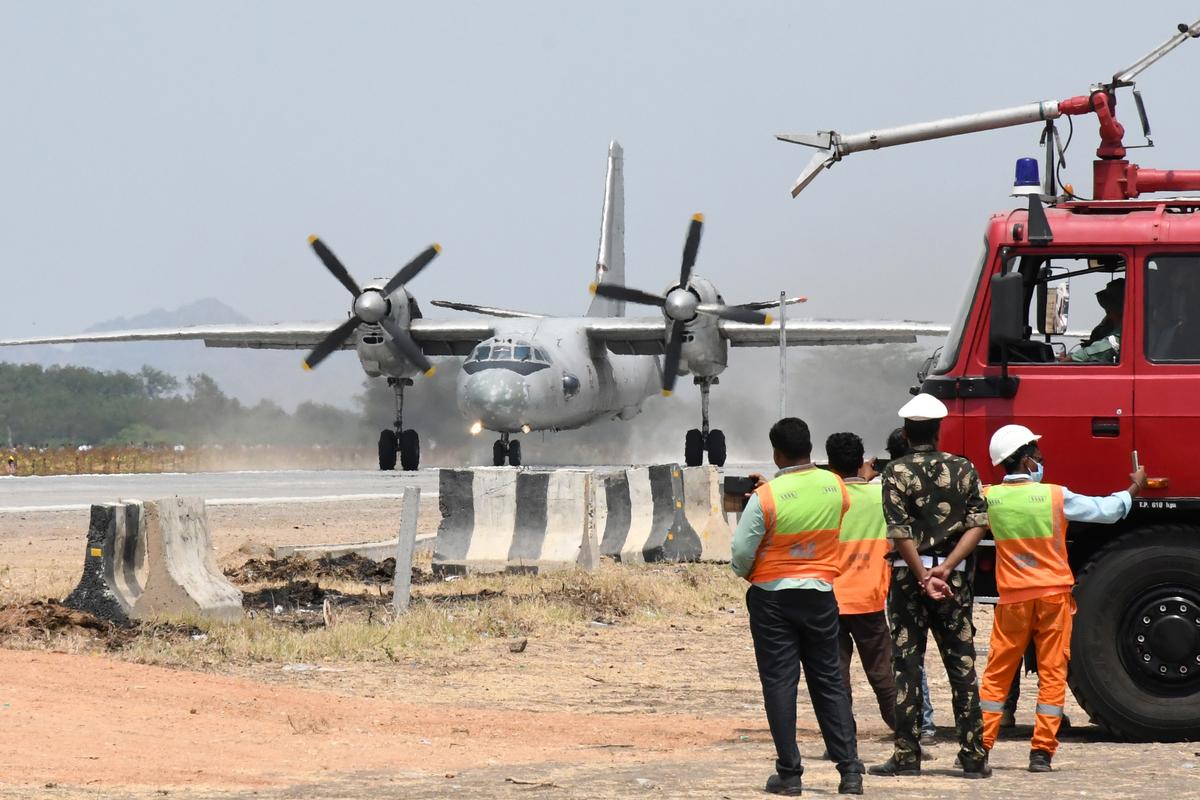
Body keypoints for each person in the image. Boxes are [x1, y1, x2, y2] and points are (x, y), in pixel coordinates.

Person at [979, 424, 1147, 772]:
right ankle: (1042, 752)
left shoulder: (989, 497)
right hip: (1053, 598)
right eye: (1037, 455)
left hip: (1012, 600)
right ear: (1025, 460)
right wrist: (1134, 487)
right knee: (1053, 673)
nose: (1041, 460)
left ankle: (980, 747)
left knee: (997, 674)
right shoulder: (1055, 496)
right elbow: (1106, 511)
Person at [732, 418, 865, 796]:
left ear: (776, 454)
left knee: (780, 683)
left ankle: (790, 774)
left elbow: (742, 553)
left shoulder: (767, 496)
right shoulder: (836, 487)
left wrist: (752, 574)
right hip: (820, 594)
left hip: (772, 597)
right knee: (829, 682)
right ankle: (850, 772)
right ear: (811, 448)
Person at [868, 394, 991, 779]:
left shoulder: (897, 473)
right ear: (939, 431)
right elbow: (978, 524)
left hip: (909, 580)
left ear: (905, 433)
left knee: (906, 665)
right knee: (963, 666)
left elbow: (900, 531)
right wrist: (946, 569)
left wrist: (922, 575)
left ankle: (907, 756)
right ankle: (973, 755)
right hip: (953, 580)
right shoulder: (963, 468)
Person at [827, 432, 896, 732]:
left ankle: (843, 739)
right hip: (869, 599)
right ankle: (905, 735)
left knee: (836, 676)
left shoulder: (828, 499)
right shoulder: (879, 496)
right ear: (861, 462)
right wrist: (867, 480)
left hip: (829, 599)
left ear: (829, 465)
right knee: (883, 672)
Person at [1063, 278, 1124, 363]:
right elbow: (1098, 337)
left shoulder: (1128, 328)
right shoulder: (1109, 323)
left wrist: (1072, 358)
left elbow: (1112, 344)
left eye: (1109, 309)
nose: (1107, 312)